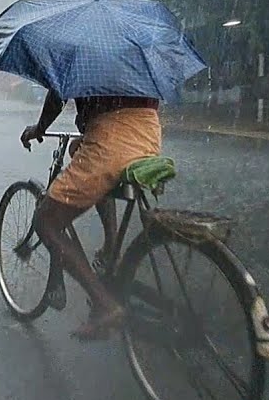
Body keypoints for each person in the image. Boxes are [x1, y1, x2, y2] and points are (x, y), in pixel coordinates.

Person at [20, 91, 162, 340]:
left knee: (46, 221)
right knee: (80, 149)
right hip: (148, 134)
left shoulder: (85, 55)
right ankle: (110, 249)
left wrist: (40, 128)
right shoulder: (128, 54)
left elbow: (57, 93)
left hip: (110, 138)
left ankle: (105, 304)